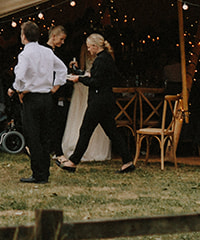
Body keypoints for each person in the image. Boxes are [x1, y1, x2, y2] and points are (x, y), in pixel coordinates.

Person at [60, 33, 127, 171]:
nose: (88, 50)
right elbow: (101, 77)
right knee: (111, 131)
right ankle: (127, 160)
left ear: (96, 46)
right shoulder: (106, 59)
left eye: (90, 47)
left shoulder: (100, 60)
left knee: (86, 130)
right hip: (106, 100)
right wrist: (81, 74)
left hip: (98, 101)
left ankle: (73, 161)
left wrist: (79, 79)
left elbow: (95, 82)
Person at [14, 20, 67, 184]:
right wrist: (55, 87)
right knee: (45, 136)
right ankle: (45, 172)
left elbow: (20, 77)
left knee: (33, 136)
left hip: (32, 97)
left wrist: (20, 90)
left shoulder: (25, 54)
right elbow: (62, 69)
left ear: (24, 36)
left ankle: (38, 173)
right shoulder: (47, 52)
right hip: (46, 97)